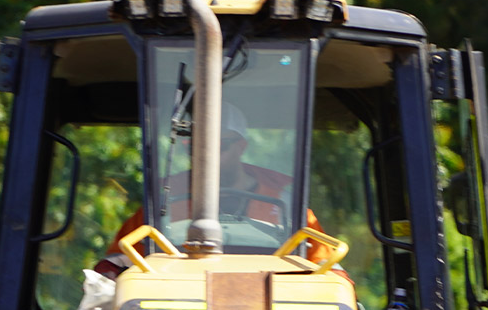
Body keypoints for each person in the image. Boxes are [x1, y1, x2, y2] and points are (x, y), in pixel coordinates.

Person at [92, 103, 338, 278]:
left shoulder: (289, 209)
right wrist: (108, 277)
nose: (204, 155)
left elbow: (329, 270)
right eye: (194, 145)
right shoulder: (161, 205)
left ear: (241, 146)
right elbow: (116, 262)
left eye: (219, 145)